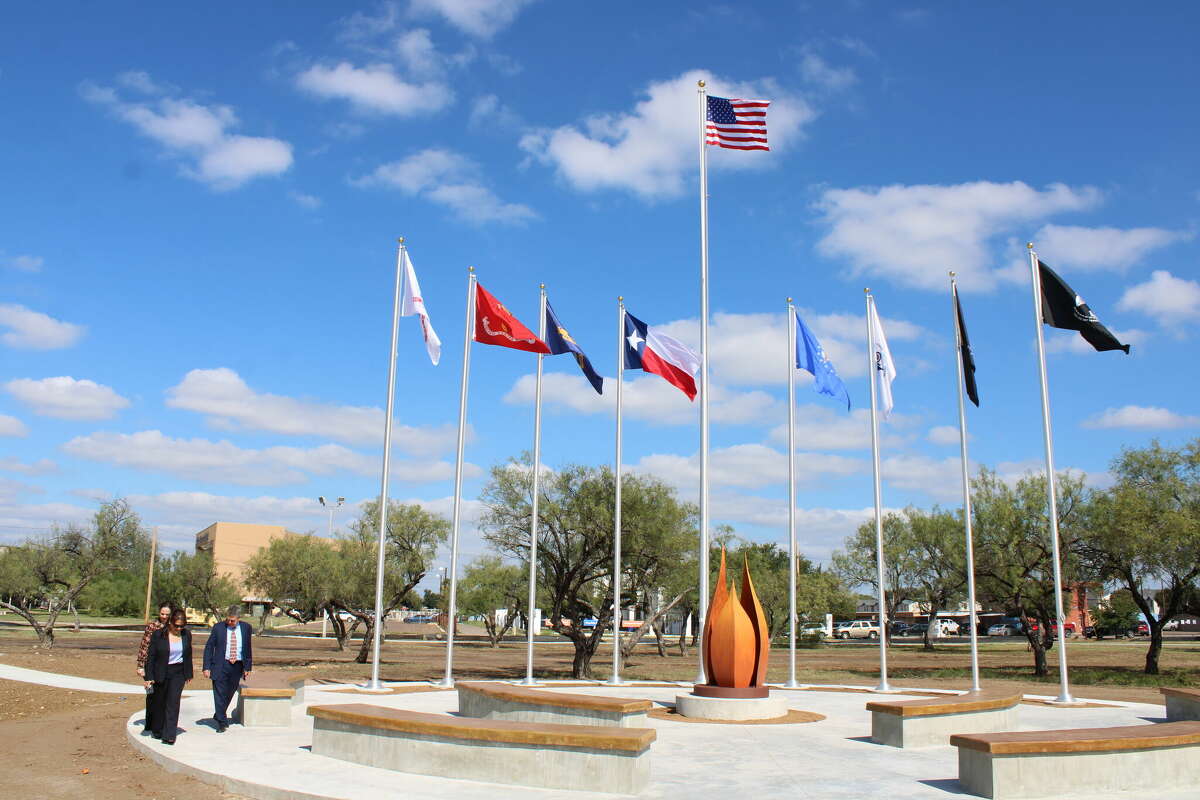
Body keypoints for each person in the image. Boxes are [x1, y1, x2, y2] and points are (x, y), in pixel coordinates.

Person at [143, 608, 193, 745]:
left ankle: (169, 734)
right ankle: (157, 729)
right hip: (161, 671)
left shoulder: (186, 635)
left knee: (173, 702)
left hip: (178, 672)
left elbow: (188, 655)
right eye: (176, 625)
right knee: (160, 703)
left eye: (182, 626)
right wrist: (149, 676)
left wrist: (189, 673)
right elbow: (151, 657)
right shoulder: (158, 635)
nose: (179, 628)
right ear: (170, 622)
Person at [203, 604, 253, 732]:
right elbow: (209, 647)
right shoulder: (218, 628)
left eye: (233, 620)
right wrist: (206, 667)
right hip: (221, 664)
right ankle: (222, 722)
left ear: (238, 618)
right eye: (228, 620)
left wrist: (247, 667)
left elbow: (248, 648)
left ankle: (219, 713)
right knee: (219, 692)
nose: (230, 622)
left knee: (230, 691)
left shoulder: (246, 628)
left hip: (237, 665)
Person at [136, 602, 173, 736]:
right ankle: (150, 723)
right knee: (151, 695)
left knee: (164, 696)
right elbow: (144, 646)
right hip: (151, 665)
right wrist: (140, 665)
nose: (164, 616)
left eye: (167, 614)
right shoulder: (152, 626)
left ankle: (162, 723)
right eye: (162, 614)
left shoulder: (173, 627)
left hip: (167, 667)